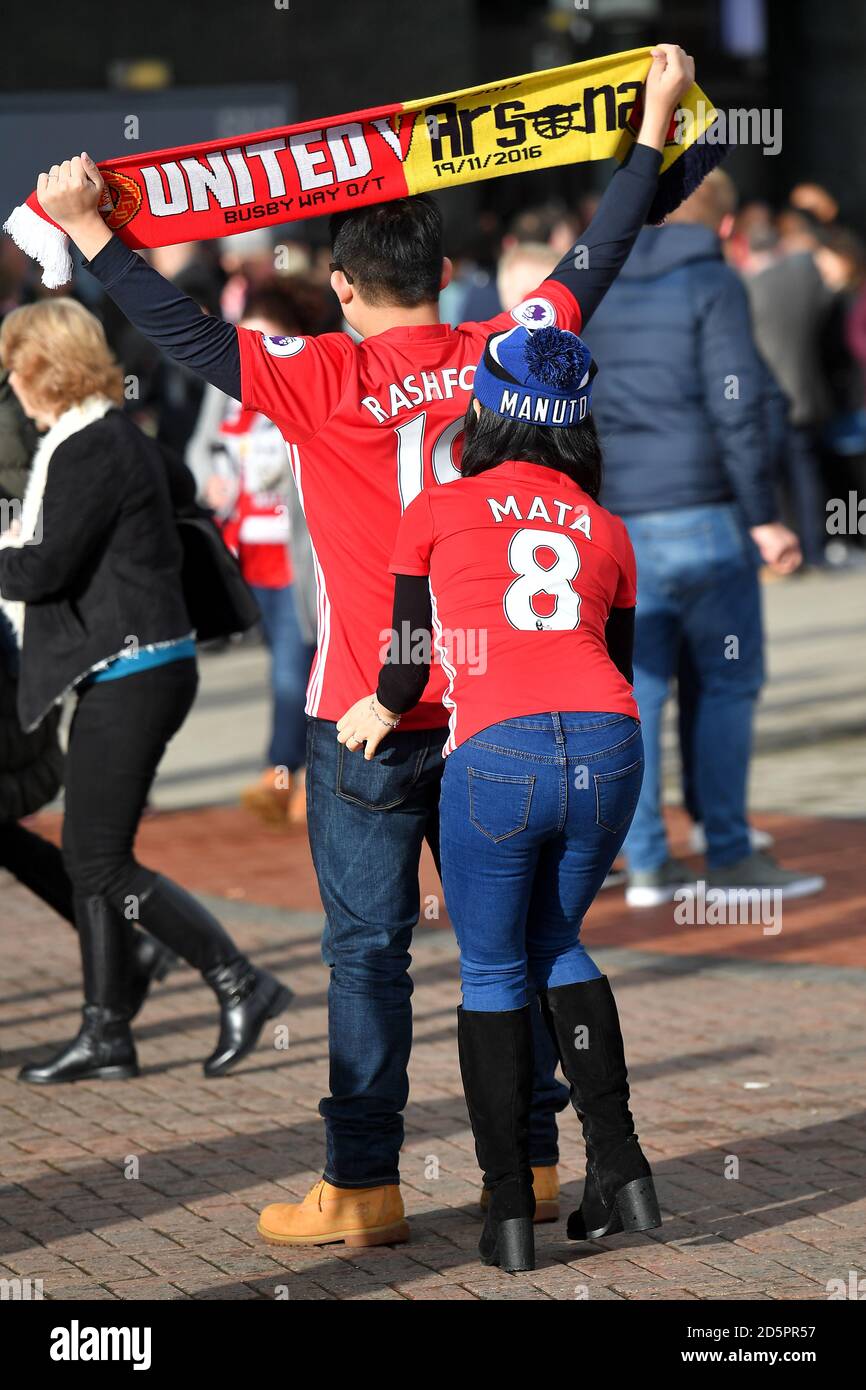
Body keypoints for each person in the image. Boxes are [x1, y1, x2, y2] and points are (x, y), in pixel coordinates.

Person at [35, 41, 693, 1245]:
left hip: (362, 704)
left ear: (341, 290)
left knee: (367, 957)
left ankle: (364, 1184)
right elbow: (597, 256)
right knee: (522, 941)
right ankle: (536, 1164)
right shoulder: (504, 350)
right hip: (496, 702)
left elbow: (179, 330)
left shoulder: (315, 373)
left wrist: (91, 235)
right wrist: (649, 127)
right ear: (445, 275)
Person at [336, 324, 659, 1273]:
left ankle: (510, 1211)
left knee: (490, 970)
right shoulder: (608, 527)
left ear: (484, 411)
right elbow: (618, 663)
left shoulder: (437, 505)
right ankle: (623, 1168)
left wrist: (381, 711)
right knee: (555, 942)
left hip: (498, 751)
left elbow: (406, 656)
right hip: (610, 742)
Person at [0, 298, 290, 1084]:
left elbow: (44, 569)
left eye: (15, 370)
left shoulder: (88, 445)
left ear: (39, 372)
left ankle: (240, 980)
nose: (11, 387)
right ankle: (106, 1032)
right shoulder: (111, 436)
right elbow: (181, 480)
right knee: (94, 856)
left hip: (135, 670)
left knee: (98, 860)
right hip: (137, 666)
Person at [583, 169, 825, 906]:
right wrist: (764, 515)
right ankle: (727, 849)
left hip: (623, 517)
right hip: (704, 511)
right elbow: (739, 405)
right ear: (723, 228)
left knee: (641, 690)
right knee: (725, 684)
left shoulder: (597, 284)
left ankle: (649, 860)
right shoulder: (712, 284)